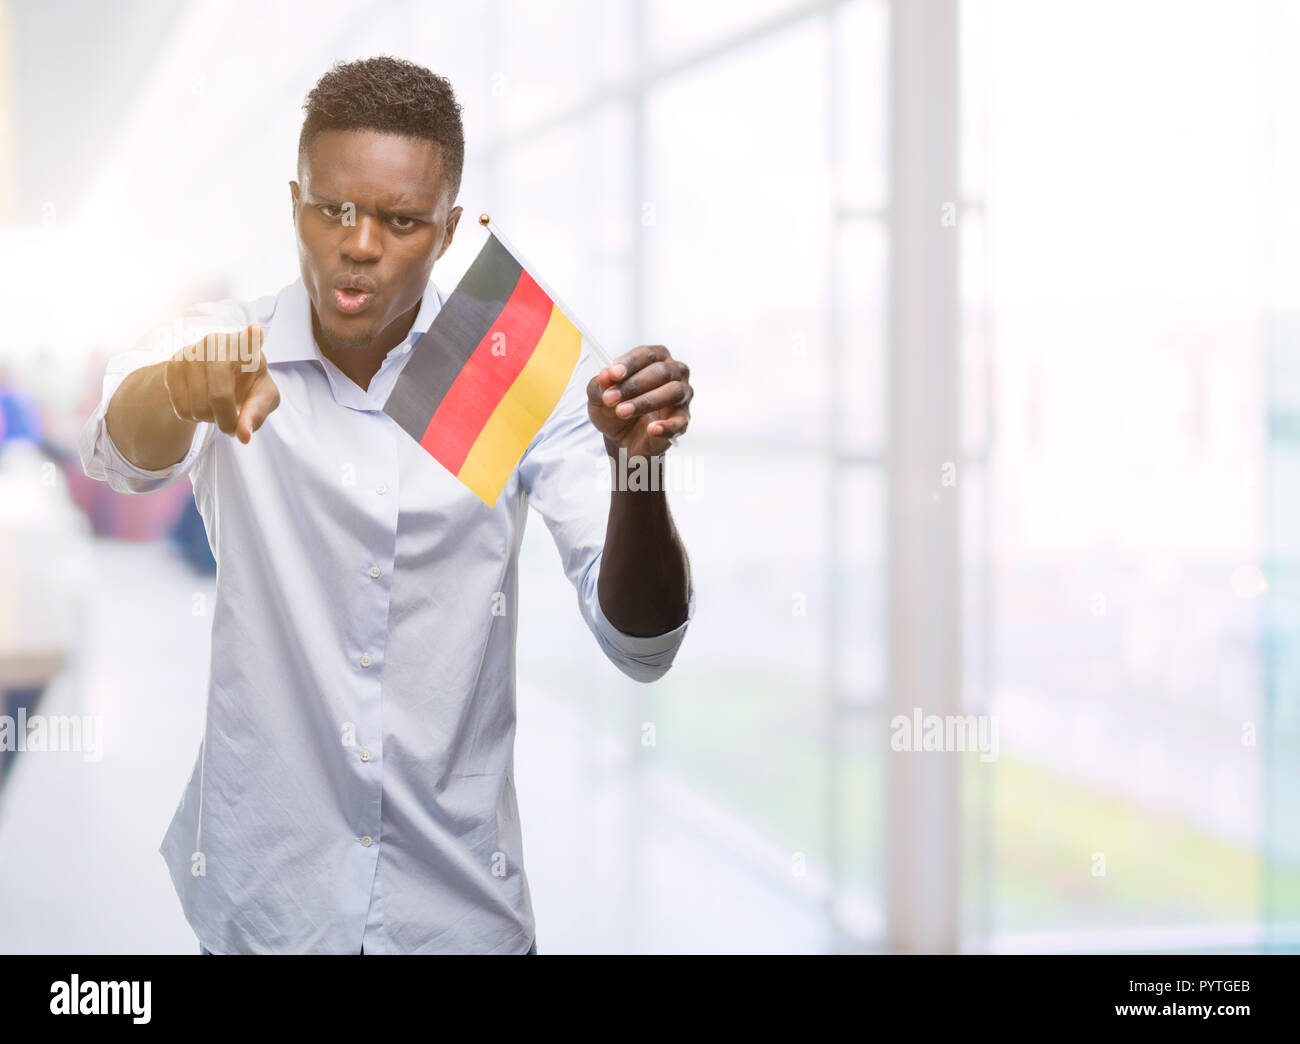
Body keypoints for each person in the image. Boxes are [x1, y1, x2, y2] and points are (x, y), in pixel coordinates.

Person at [78, 56, 696, 955]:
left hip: (454, 919)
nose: (359, 244)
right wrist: (179, 389)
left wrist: (636, 470)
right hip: (263, 914)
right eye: (334, 210)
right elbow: (118, 456)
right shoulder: (222, 347)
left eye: (402, 221)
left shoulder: (513, 375)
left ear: (448, 232)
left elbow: (642, 645)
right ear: (295, 205)